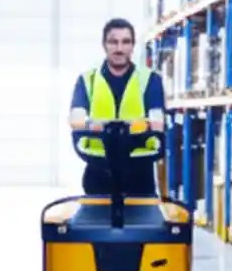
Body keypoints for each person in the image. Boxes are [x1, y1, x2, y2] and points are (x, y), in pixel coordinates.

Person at [69, 18, 167, 196]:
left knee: (142, 223)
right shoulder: (87, 80)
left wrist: (112, 126)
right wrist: (97, 125)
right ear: (104, 45)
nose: (119, 48)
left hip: (139, 171)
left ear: (133, 46)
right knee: (95, 222)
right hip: (98, 169)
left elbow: (157, 123)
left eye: (125, 42)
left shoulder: (150, 80)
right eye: (113, 42)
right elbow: (76, 120)